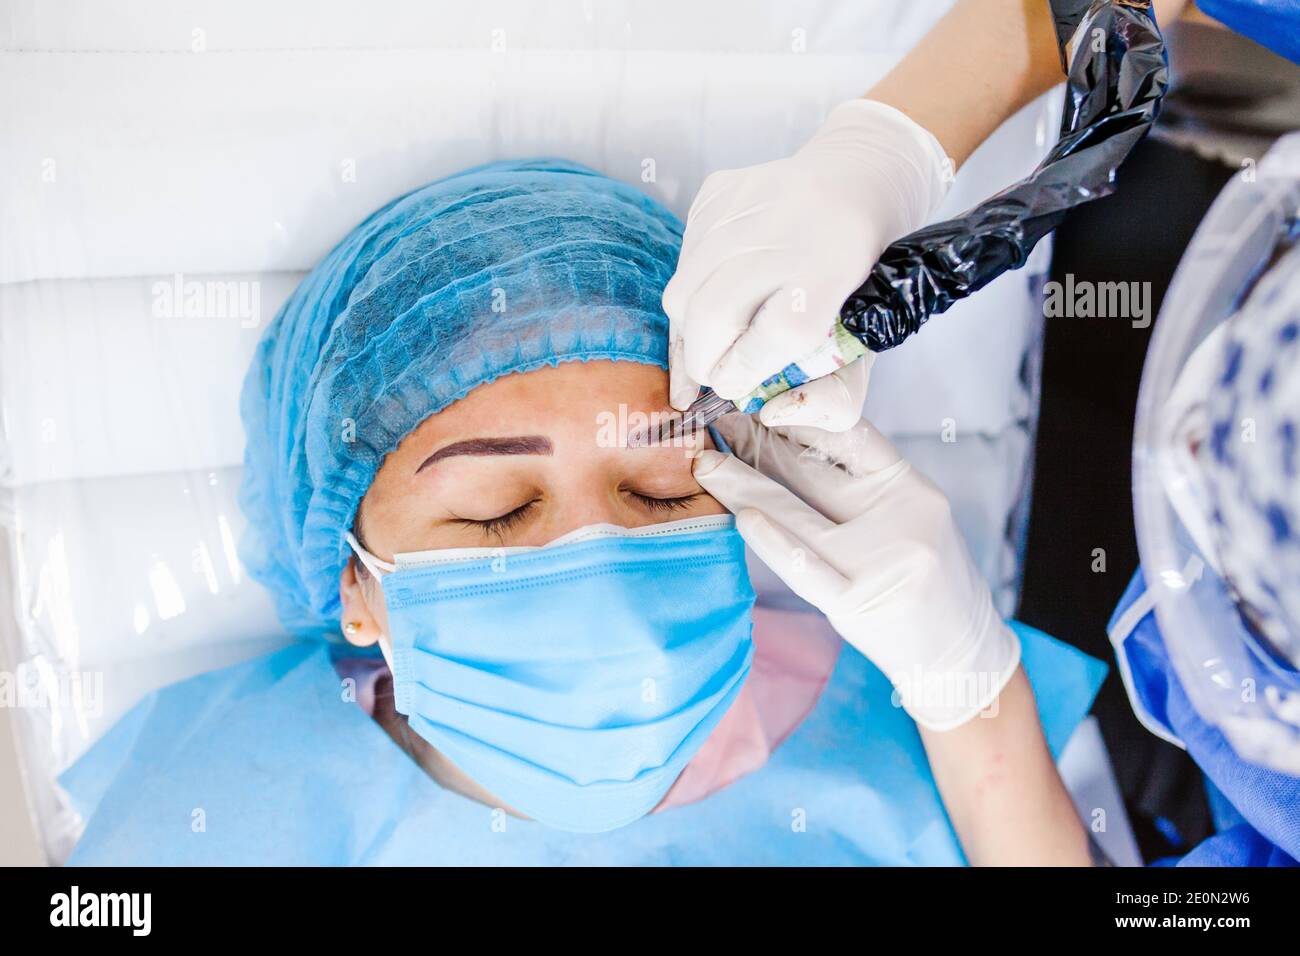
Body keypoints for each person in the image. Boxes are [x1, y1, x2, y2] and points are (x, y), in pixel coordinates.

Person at [60, 159, 1105, 865]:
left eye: (659, 487)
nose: (597, 563)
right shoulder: (213, 802)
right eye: (493, 509)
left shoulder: (914, 714)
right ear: (357, 585)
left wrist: (976, 698)